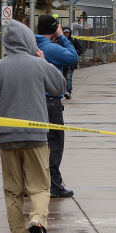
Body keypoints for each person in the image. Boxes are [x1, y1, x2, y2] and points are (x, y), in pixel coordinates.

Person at [0, 20, 66, 233]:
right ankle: (37, 223)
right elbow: (60, 86)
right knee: (39, 187)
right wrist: (43, 59)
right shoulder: (38, 65)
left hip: (8, 140)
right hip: (37, 138)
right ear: (28, 41)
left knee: (13, 192)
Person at [34, 14, 77, 198]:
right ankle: (53, 184)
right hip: (50, 100)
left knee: (35, 143)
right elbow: (72, 57)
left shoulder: (30, 46)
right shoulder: (50, 48)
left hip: (32, 99)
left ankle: (32, 182)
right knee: (55, 143)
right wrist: (62, 36)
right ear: (54, 29)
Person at [60, 27, 85, 99]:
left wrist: (74, 53)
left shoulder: (74, 40)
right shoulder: (59, 41)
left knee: (68, 77)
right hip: (62, 62)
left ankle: (68, 91)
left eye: (67, 33)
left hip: (71, 63)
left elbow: (80, 49)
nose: (66, 34)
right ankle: (63, 91)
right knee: (62, 77)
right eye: (64, 33)